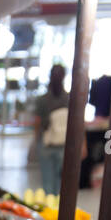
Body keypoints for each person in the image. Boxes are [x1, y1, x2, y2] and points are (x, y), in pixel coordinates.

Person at [35, 64, 69, 195]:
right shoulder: (68, 98)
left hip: (46, 142)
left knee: (48, 181)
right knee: (60, 180)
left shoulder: (43, 99)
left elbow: (37, 123)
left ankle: (50, 211)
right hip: (63, 143)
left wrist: (37, 140)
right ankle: (58, 210)